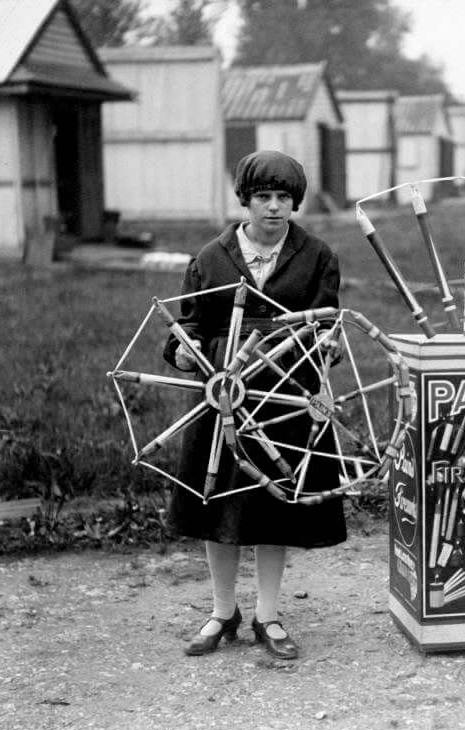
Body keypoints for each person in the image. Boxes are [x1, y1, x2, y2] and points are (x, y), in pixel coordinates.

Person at [163, 150, 346, 658]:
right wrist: (182, 353)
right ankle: (223, 612)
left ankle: (267, 614)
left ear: (295, 203)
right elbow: (188, 326)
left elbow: (329, 323)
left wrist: (327, 346)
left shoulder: (317, 256)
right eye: (263, 197)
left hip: (286, 394)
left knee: (275, 504)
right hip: (225, 395)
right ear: (245, 200)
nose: (273, 208)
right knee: (215, 499)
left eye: (283, 197)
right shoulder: (210, 257)